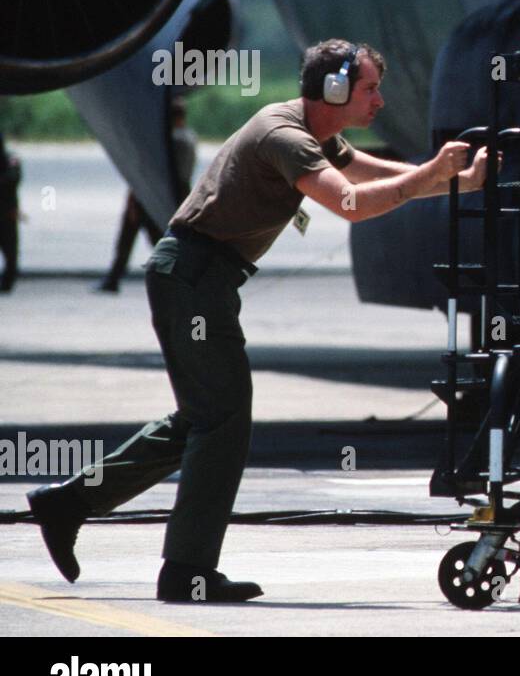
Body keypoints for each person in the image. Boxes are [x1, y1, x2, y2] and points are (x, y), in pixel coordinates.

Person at [27, 39, 496, 603]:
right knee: (223, 420)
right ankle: (186, 571)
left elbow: (365, 168)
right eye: (370, 88)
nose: (379, 99)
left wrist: (446, 179)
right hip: (193, 278)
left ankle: (69, 503)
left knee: (203, 418)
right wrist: (432, 178)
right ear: (335, 90)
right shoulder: (286, 136)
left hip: (202, 280)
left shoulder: (315, 132)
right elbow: (350, 203)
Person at [97, 98, 198, 293]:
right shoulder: (188, 137)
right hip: (177, 194)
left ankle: (117, 277)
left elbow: (148, 171)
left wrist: (134, 199)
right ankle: (117, 276)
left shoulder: (169, 140)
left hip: (152, 195)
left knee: (145, 238)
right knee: (159, 239)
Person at [0, 132, 20, 293]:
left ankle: (8, 281)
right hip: (7, 209)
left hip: (7, 210)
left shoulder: (11, 160)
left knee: (10, 250)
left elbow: (13, 178)